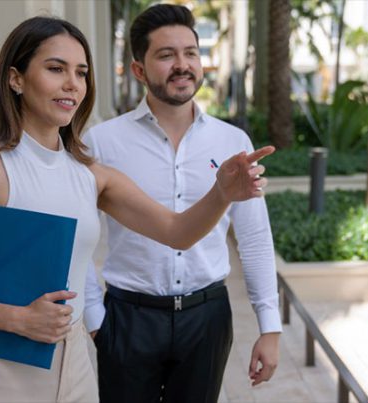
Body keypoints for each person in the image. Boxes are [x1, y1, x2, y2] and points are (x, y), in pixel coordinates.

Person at [0, 16, 272, 403]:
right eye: (55, 68)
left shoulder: (91, 175)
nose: (72, 84)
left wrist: (221, 193)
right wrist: (17, 319)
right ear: (16, 79)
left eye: (81, 72)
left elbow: (177, 232)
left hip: (73, 367)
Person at [84, 4, 281, 403]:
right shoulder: (101, 142)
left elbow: (255, 238)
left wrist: (270, 327)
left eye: (191, 52)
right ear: (138, 69)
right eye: (166, 54)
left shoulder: (233, 143)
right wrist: (95, 318)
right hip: (128, 317)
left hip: (207, 317)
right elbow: (78, 239)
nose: (182, 65)